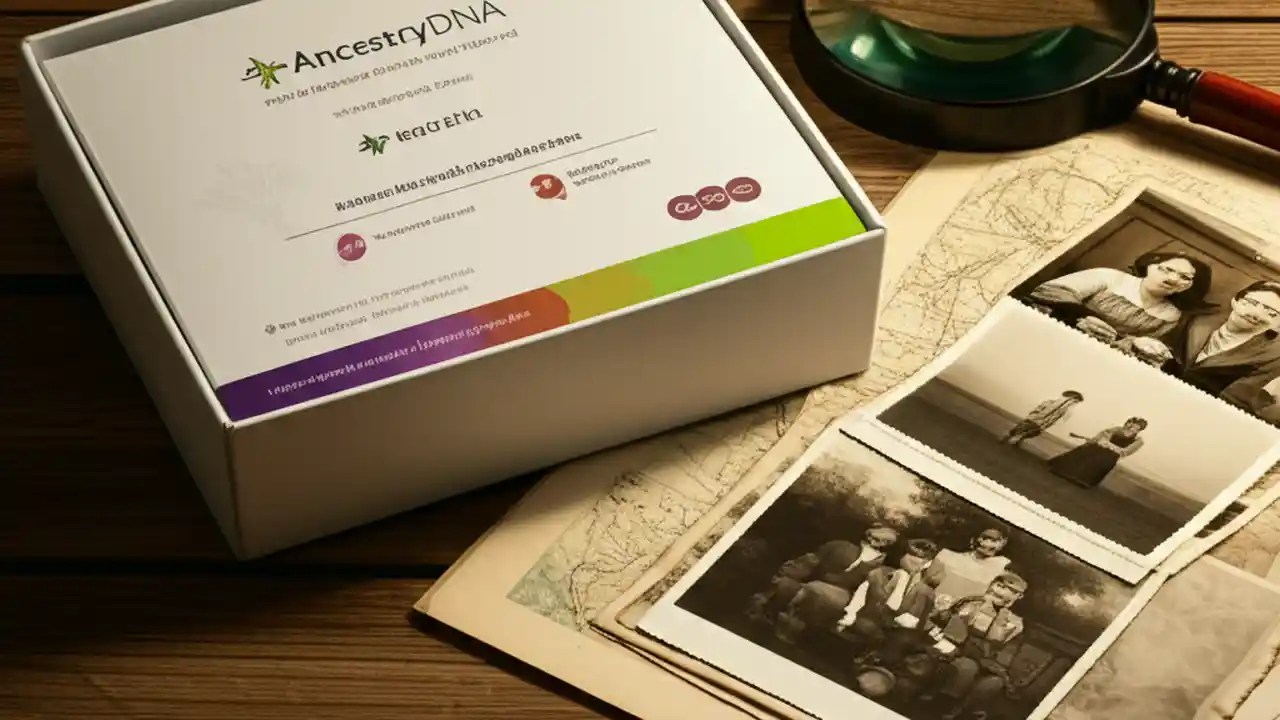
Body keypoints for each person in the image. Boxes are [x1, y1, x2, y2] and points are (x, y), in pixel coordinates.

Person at [1020, 252, 1213, 347]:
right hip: (1053, 336)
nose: (1172, 279)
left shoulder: (1171, 315)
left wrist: (1134, 344)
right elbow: (1049, 291)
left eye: (1184, 277)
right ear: (1150, 266)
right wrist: (1081, 316)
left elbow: (1142, 347)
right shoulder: (1110, 277)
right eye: (1167, 269)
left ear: (1189, 286)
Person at [748, 526, 899, 628]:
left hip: (845, 599)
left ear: (888, 545)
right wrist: (785, 575)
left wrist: (854, 613)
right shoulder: (841, 546)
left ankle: (791, 622)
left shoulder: (881, 570)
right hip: (813, 584)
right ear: (868, 535)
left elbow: (870, 595)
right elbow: (810, 561)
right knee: (787, 586)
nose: (878, 542)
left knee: (814, 592)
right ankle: (772, 614)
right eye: (875, 537)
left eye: (885, 541)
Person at [927, 571, 1030, 720]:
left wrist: (997, 668)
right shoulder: (971, 602)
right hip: (958, 651)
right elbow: (951, 628)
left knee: (994, 683)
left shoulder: (1015, 622)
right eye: (999, 585)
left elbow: (1006, 649)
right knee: (966, 668)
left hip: (987, 662)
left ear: (1017, 597)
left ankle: (963, 713)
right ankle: (943, 707)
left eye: (1010, 591)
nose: (1000, 591)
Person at [1165, 280, 1280, 399]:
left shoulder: (1270, 358)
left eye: (1272, 314)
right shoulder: (1197, 318)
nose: (1256, 314)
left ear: (1278, 325)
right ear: (1235, 301)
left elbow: (1236, 399)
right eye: (1252, 303)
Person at [839, 538, 947, 664]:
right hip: (867, 623)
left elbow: (910, 620)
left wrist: (902, 581)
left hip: (893, 637)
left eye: (921, 560)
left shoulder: (924, 592)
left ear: (927, 564)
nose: (914, 562)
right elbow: (861, 594)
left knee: (896, 643)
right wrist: (850, 613)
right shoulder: (879, 574)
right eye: (910, 555)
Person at [1048, 417, 1147, 489]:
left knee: (1103, 460)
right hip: (1101, 447)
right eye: (1134, 425)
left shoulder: (1138, 440)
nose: (1133, 428)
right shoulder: (1118, 429)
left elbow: (1126, 452)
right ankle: (1065, 471)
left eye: (1137, 428)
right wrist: (1103, 441)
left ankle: (1083, 481)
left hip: (1112, 454)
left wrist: (1111, 446)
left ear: (1140, 430)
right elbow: (1104, 434)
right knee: (1089, 451)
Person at [931, 529, 1013, 607]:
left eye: (994, 540)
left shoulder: (1001, 567)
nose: (988, 543)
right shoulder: (947, 556)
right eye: (986, 538)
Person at [1001, 390, 1084, 447]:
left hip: (1044, 423)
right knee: (1021, 428)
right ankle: (1006, 437)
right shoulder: (1054, 400)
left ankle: (1019, 440)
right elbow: (1042, 406)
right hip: (1036, 418)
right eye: (1074, 398)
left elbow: (1062, 416)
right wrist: (1035, 413)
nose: (1074, 401)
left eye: (1076, 400)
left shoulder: (1067, 408)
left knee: (1033, 432)